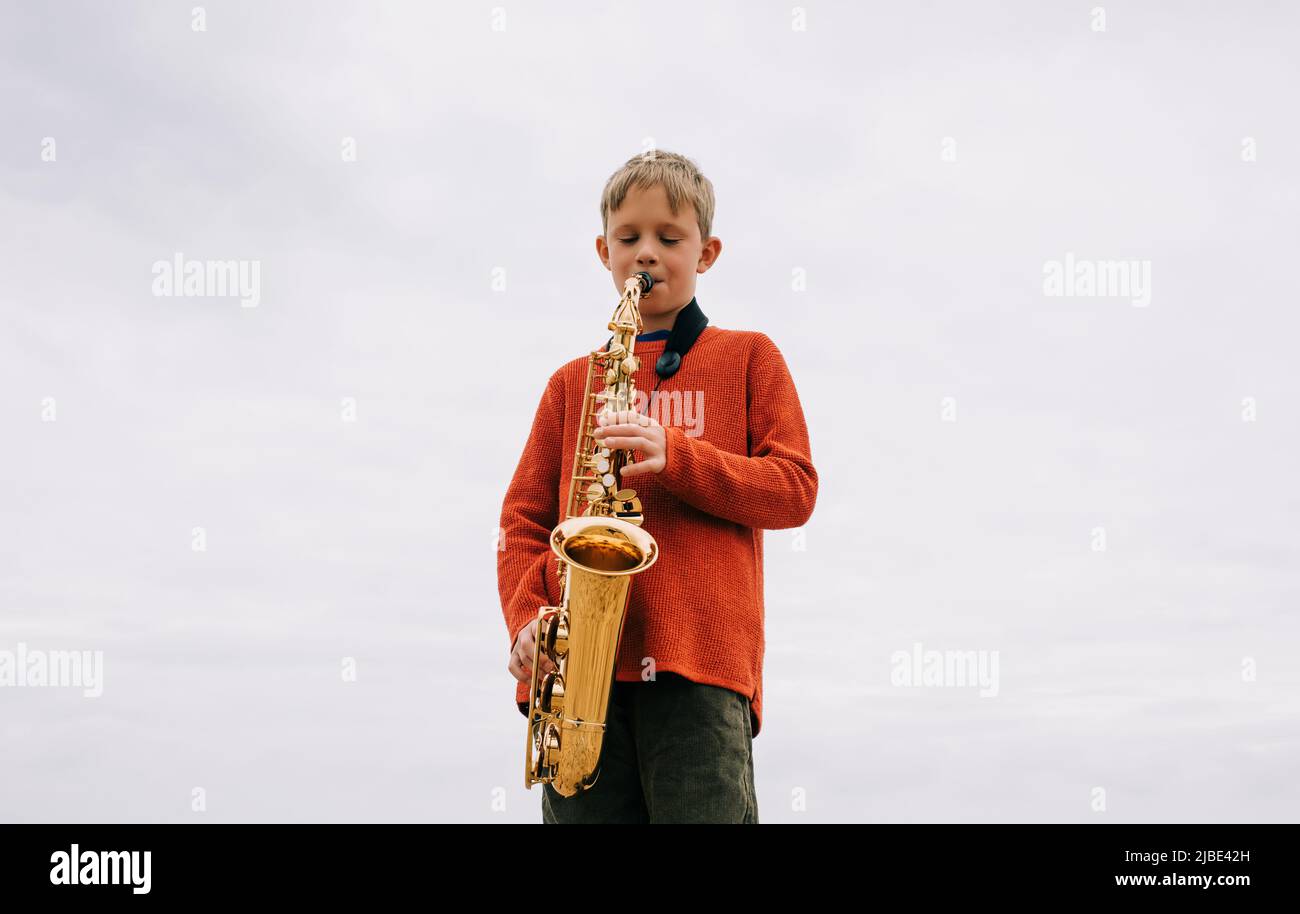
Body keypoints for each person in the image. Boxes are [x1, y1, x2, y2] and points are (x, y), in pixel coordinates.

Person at [497, 150, 818, 823]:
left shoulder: (750, 357)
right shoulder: (568, 385)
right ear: (602, 250)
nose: (647, 254)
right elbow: (522, 522)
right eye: (629, 238)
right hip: (576, 681)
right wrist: (528, 620)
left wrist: (676, 455)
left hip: (698, 675)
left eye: (669, 239)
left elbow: (793, 490)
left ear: (707, 252)